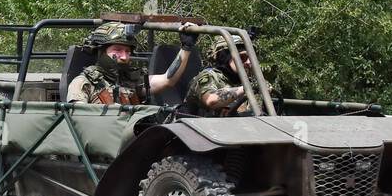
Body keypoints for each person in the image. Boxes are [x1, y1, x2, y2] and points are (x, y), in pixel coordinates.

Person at [66, 21, 198, 105]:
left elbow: (168, 80)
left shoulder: (131, 80)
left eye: (127, 51)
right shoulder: (83, 83)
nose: (124, 57)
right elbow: (78, 119)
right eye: (117, 50)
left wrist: (186, 47)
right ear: (100, 51)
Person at [185, 32, 256, 116]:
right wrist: (247, 88)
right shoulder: (208, 76)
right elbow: (210, 100)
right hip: (195, 126)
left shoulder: (240, 80)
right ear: (225, 57)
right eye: (242, 57)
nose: (248, 62)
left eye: (251, 58)